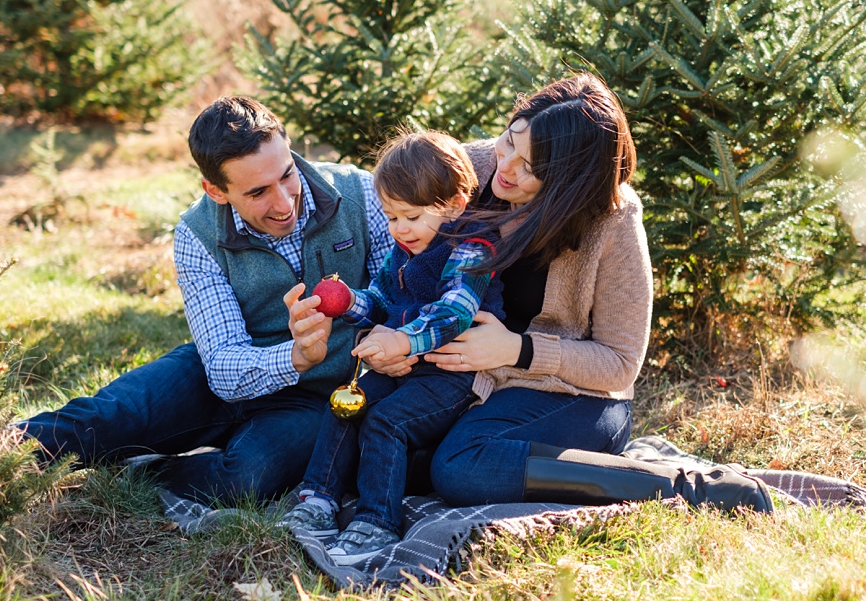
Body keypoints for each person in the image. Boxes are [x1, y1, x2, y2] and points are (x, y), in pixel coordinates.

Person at [288, 74, 772, 514]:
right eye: (509, 142)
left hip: (572, 397)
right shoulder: (469, 173)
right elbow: (398, 238)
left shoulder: (614, 223)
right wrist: (390, 340)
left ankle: (691, 487)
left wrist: (517, 350)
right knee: (388, 451)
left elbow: (620, 363)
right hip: (468, 388)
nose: (507, 169)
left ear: (570, 181)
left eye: (531, 167)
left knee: (460, 468)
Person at [19, 95, 393, 505]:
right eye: (257, 192)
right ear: (215, 190)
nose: (284, 203)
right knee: (109, 417)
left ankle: (147, 471)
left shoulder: (360, 195)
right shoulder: (197, 235)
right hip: (221, 372)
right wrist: (296, 356)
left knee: (247, 477)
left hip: (315, 397)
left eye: (287, 175)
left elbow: (395, 302)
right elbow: (219, 363)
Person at [280, 130, 504, 564]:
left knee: (387, 420)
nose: (399, 229)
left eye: (411, 216)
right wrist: (347, 302)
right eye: (391, 217)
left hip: (452, 373)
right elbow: (382, 300)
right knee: (347, 403)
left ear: (454, 205)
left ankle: (377, 521)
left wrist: (402, 340)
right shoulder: (403, 251)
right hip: (406, 364)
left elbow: (453, 313)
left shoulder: (471, 248)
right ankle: (319, 500)